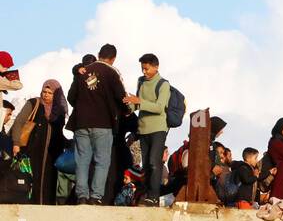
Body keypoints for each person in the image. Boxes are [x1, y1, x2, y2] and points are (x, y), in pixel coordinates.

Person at [67, 43, 127, 205]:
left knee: (82, 160)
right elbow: (121, 97)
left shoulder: (83, 71)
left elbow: (71, 97)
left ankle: (81, 196)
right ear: (113, 59)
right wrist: (126, 110)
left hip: (81, 123)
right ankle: (96, 196)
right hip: (103, 124)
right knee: (102, 161)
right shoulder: (111, 73)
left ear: (99, 54)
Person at [122, 53, 171, 206]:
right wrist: (129, 104)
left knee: (154, 163)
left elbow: (159, 107)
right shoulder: (141, 81)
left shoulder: (163, 84)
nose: (144, 72)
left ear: (156, 67)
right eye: (142, 69)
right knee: (146, 165)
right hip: (143, 129)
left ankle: (154, 196)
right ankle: (148, 194)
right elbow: (138, 104)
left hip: (158, 128)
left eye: (147, 69)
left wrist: (139, 101)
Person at [11, 80, 68, 205]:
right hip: (32, 151)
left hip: (52, 153)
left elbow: (58, 133)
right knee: (31, 180)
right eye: (44, 92)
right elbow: (19, 123)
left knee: (50, 182)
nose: (46, 95)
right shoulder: (34, 103)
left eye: (50, 93)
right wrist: (16, 143)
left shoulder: (60, 110)